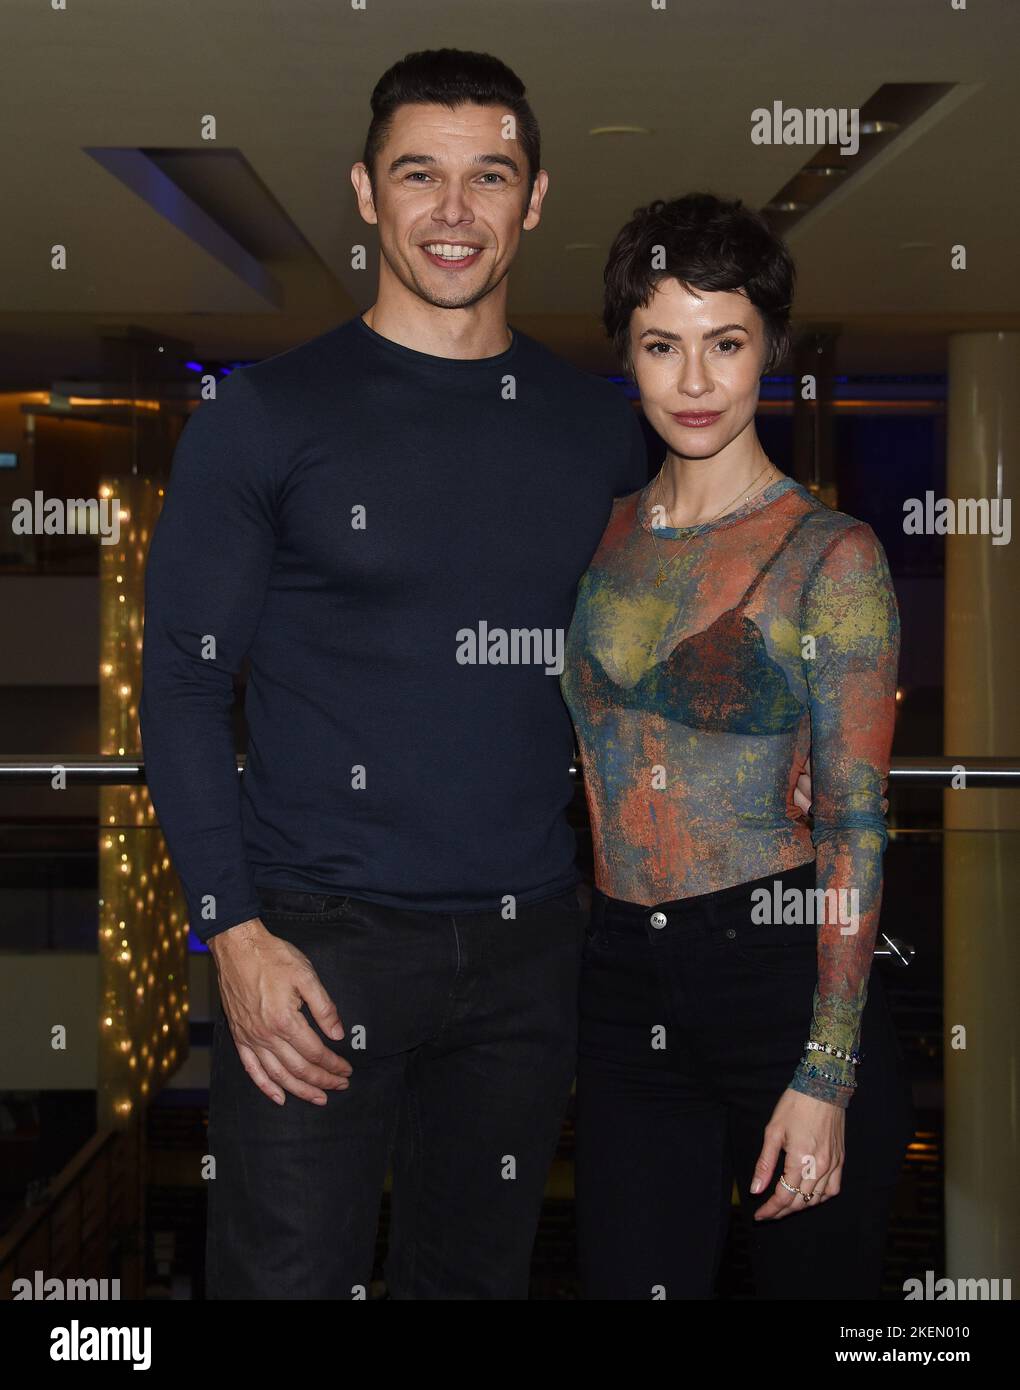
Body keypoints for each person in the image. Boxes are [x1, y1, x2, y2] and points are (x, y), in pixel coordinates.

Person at [139, 48, 655, 1300]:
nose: (454, 211)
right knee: (285, 1280)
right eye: (419, 175)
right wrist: (233, 930)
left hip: (531, 947)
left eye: (491, 176)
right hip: (318, 945)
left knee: (472, 1281)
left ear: (533, 199)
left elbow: (652, 652)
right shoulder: (266, 419)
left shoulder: (600, 426)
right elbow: (184, 689)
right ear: (366, 193)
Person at [561, 193, 914, 1299]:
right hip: (621, 978)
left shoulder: (832, 554)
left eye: (726, 343)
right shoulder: (602, 530)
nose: (696, 380)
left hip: (781, 973)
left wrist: (828, 1070)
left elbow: (856, 823)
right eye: (663, 345)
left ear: (771, 349)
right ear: (629, 351)